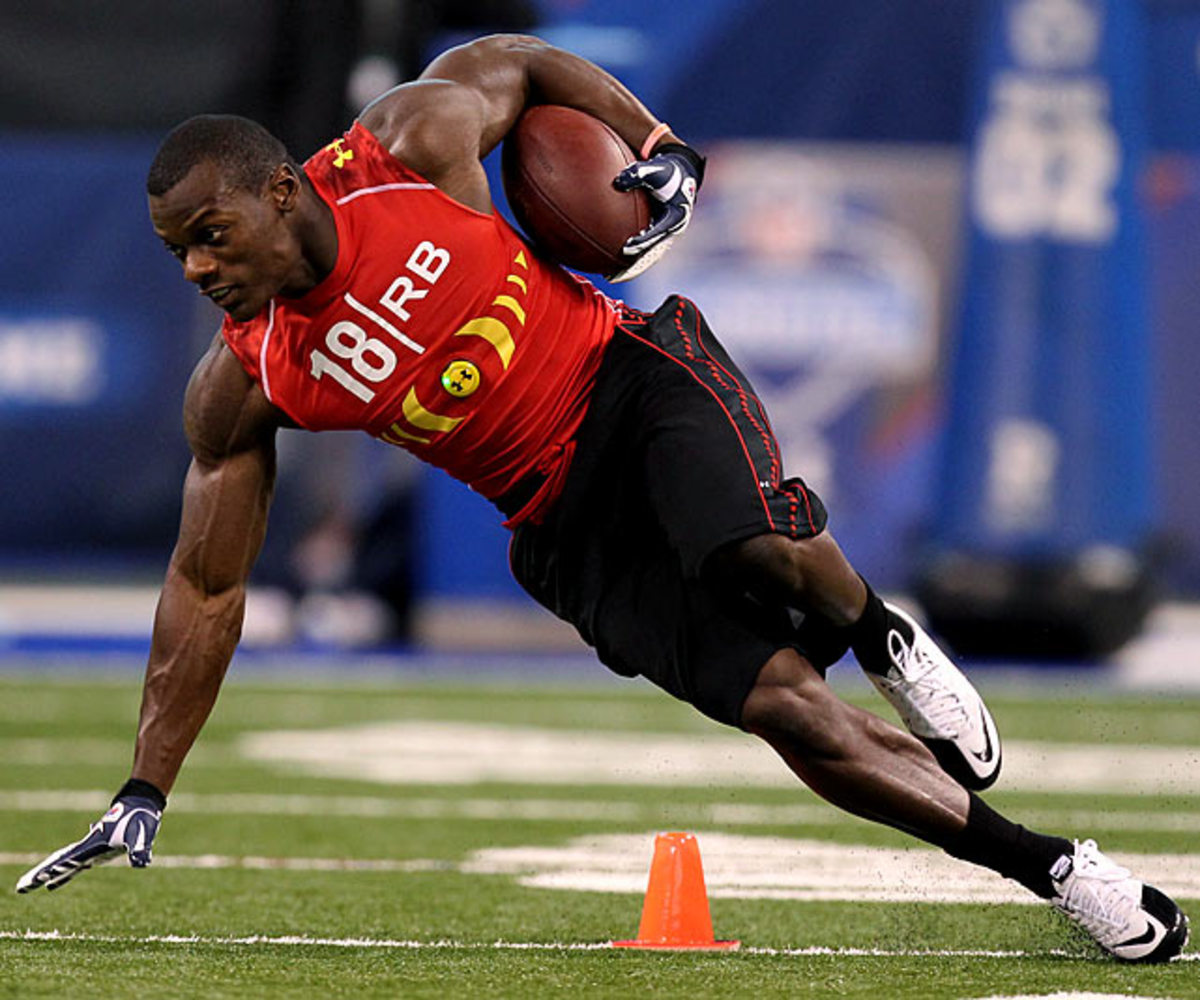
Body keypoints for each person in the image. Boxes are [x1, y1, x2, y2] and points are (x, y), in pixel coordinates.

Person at [15, 34, 1187, 963]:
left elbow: (520, 62)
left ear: (281, 191)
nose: (200, 272)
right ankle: (1056, 868)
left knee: (747, 544)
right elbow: (204, 584)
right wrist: (145, 783)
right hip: (557, 515)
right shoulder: (247, 379)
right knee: (787, 711)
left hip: (629, 380)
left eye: (212, 238)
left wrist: (652, 137)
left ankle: (879, 628)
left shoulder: (405, 151)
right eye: (179, 254)